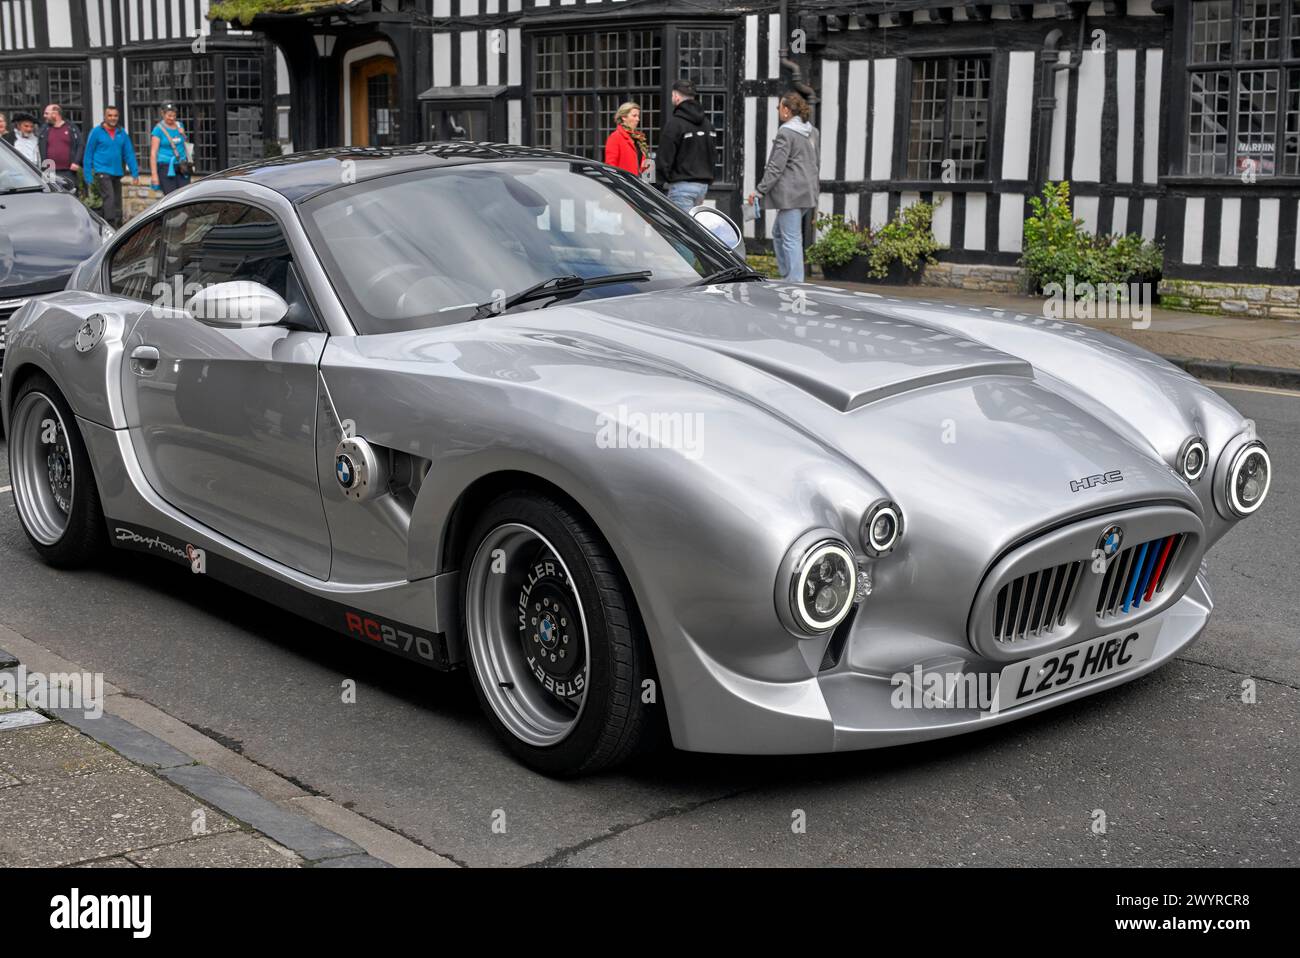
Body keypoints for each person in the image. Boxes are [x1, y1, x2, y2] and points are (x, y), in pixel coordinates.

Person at [749, 92, 820, 283]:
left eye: (779, 107)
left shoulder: (786, 132)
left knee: (791, 239)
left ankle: (794, 282)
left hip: (791, 195)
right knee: (779, 234)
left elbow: (776, 166)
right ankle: (787, 276)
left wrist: (760, 190)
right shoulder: (812, 132)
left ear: (787, 110)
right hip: (808, 192)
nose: (778, 111)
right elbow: (816, 162)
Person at [655, 80, 716, 212]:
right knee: (692, 227)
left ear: (676, 96)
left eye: (672, 95)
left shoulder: (675, 124)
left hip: (681, 186)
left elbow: (664, 157)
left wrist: (657, 185)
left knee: (679, 230)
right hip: (702, 186)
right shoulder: (707, 124)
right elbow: (713, 155)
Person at [82, 106, 140, 228]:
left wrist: (135, 172)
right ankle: (110, 225)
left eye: (115, 116)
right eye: (110, 115)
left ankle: (116, 225)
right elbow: (88, 154)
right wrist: (87, 175)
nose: (113, 118)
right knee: (109, 198)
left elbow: (128, 153)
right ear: (105, 117)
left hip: (117, 172)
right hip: (102, 170)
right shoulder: (96, 132)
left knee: (117, 201)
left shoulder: (122, 133)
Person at [38, 104, 82, 193]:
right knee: (50, 196)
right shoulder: (44, 129)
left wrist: (76, 162)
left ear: (55, 114)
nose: (44, 116)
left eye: (47, 113)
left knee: (70, 195)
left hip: (68, 170)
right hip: (48, 170)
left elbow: (80, 145)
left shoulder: (71, 128)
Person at [150, 103, 191, 195]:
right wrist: (154, 175)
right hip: (166, 167)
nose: (172, 118)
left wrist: (183, 134)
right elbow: (153, 153)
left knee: (185, 194)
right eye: (169, 115)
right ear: (162, 114)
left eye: (174, 115)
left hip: (182, 165)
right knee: (171, 196)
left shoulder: (180, 125)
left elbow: (185, 143)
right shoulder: (158, 130)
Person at [604, 102, 649, 177]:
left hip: (639, 183)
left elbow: (645, 165)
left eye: (638, 116)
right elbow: (610, 167)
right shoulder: (615, 137)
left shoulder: (639, 138)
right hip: (624, 184)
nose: (637, 119)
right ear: (624, 117)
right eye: (634, 116)